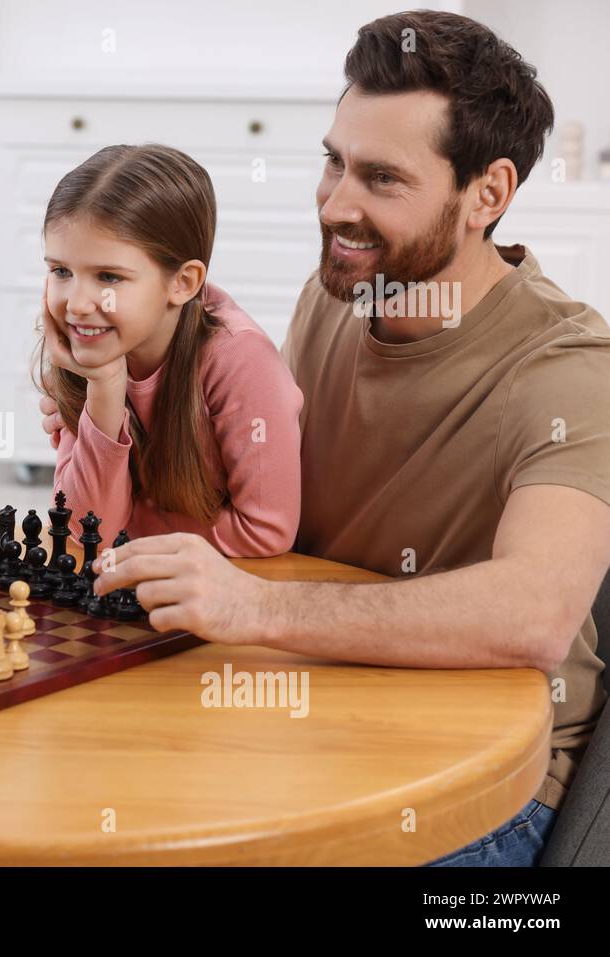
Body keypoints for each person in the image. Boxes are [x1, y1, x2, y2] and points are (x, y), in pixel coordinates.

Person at [45, 11, 610, 866]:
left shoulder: (570, 367)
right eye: (333, 161)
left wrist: (255, 603)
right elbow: (248, 484)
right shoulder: (343, 290)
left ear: (487, 195)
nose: (337, 205)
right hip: (310, 700)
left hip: (480, 790)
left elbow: (534, 614)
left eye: (382, 178)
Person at [37, 143, 301, 556]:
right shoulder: (89, 347)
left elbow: (265, 531)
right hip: (145, 585)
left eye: (108, 276)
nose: (76, 303)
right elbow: (79, 532)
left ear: (183, 282)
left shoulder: (241, 361)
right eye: (61, 271)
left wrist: (131, 528)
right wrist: (104, 388)